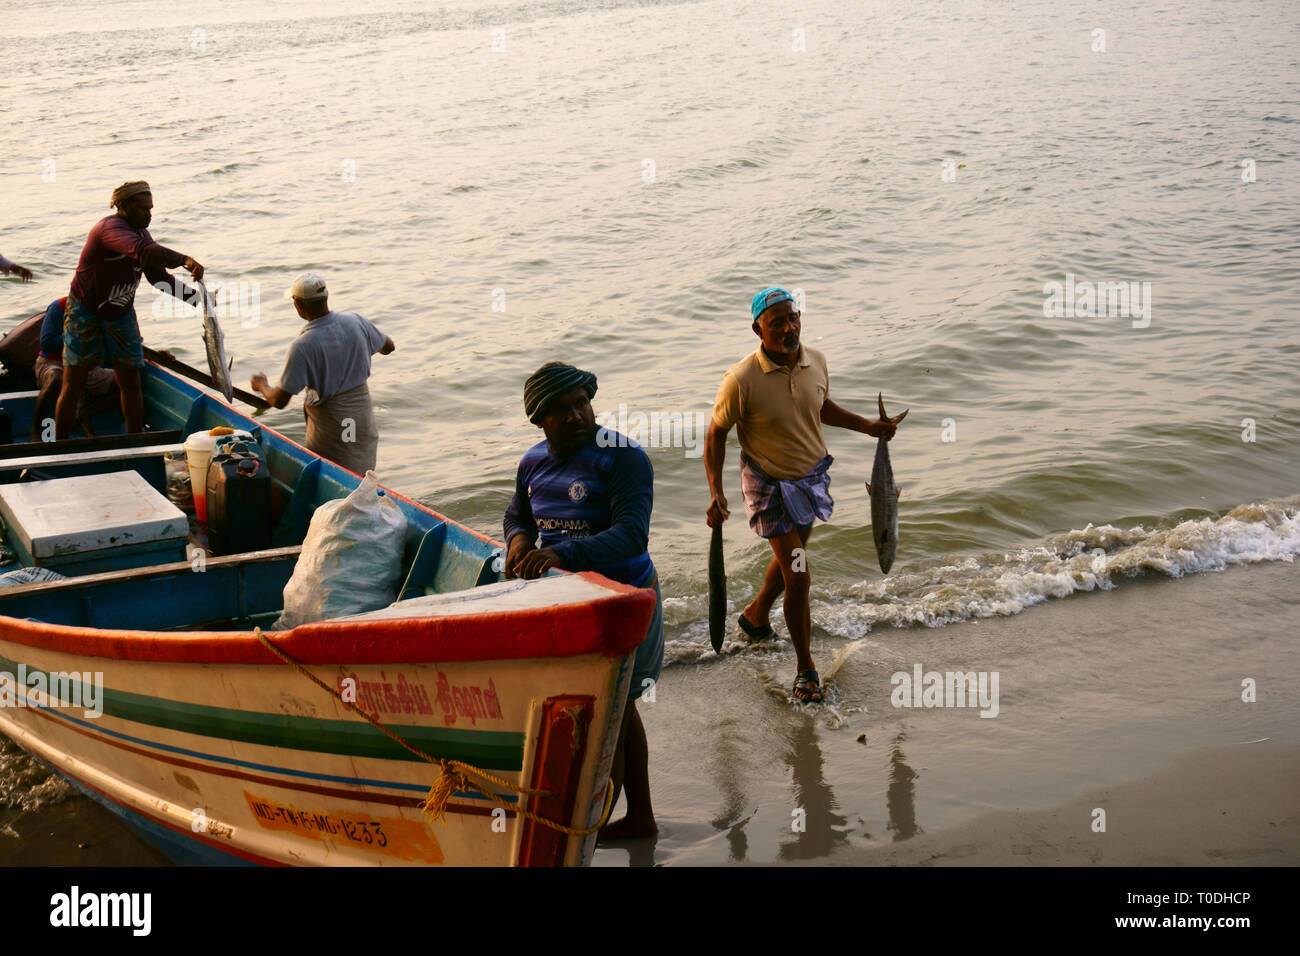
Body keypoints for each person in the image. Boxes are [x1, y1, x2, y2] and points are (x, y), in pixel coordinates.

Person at [704, 287, 900, 703]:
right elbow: (715, 433)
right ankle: (806, 668)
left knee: (788, 564)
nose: (789, 328)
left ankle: (755, 617)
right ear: (758, 329)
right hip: (767, 483)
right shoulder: (740, 380)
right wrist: (716, 492)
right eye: (777, 322)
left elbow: (819, 406)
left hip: (810, 478)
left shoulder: (817, 361)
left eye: (793, 318)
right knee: (798, 574)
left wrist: (868, 427)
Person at [503, 362, 663, 840]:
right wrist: (516, 542)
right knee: (589, 702)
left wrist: (558, 553)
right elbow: (518, 513)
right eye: (562, 409)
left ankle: (639, 817)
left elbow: (632, 535)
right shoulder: (533, 462)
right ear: (539, 419)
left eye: (582, 403)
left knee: (620, 702)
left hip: (622, 598)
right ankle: (591, 812)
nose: (577, 415)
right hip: (565, 598)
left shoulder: (623, 458)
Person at [55, 181, 205, 439]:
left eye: (151, 209)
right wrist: (184, 259)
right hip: (85, 313)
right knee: (74, 383)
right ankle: (58, 446)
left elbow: (157, 277)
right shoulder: (110, 229)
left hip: (121, 314)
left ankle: (134, 442)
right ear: (122, 207)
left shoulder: (141, 234)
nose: (148, 214)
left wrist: (195, 299)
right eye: (142, 209)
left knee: (130, 381)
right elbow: (144, 252)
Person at [250, 273, 394, 475]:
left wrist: (261, 385)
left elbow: (279, 401)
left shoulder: (302, 346)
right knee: (359, 474)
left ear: (298, 305)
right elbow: (388, 347)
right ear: (326, 298)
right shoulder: (356, 321)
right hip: (361, 418)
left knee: (339, 474)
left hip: (339, 425)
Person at [31, 296, 117, 440]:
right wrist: (79, 337)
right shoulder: (59, 306)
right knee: (56, 378)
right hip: (53, 363)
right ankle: (35, 429)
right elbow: (47, 342)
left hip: (87, 367)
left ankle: (86, 413)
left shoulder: (105, 311)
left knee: (127, 380)